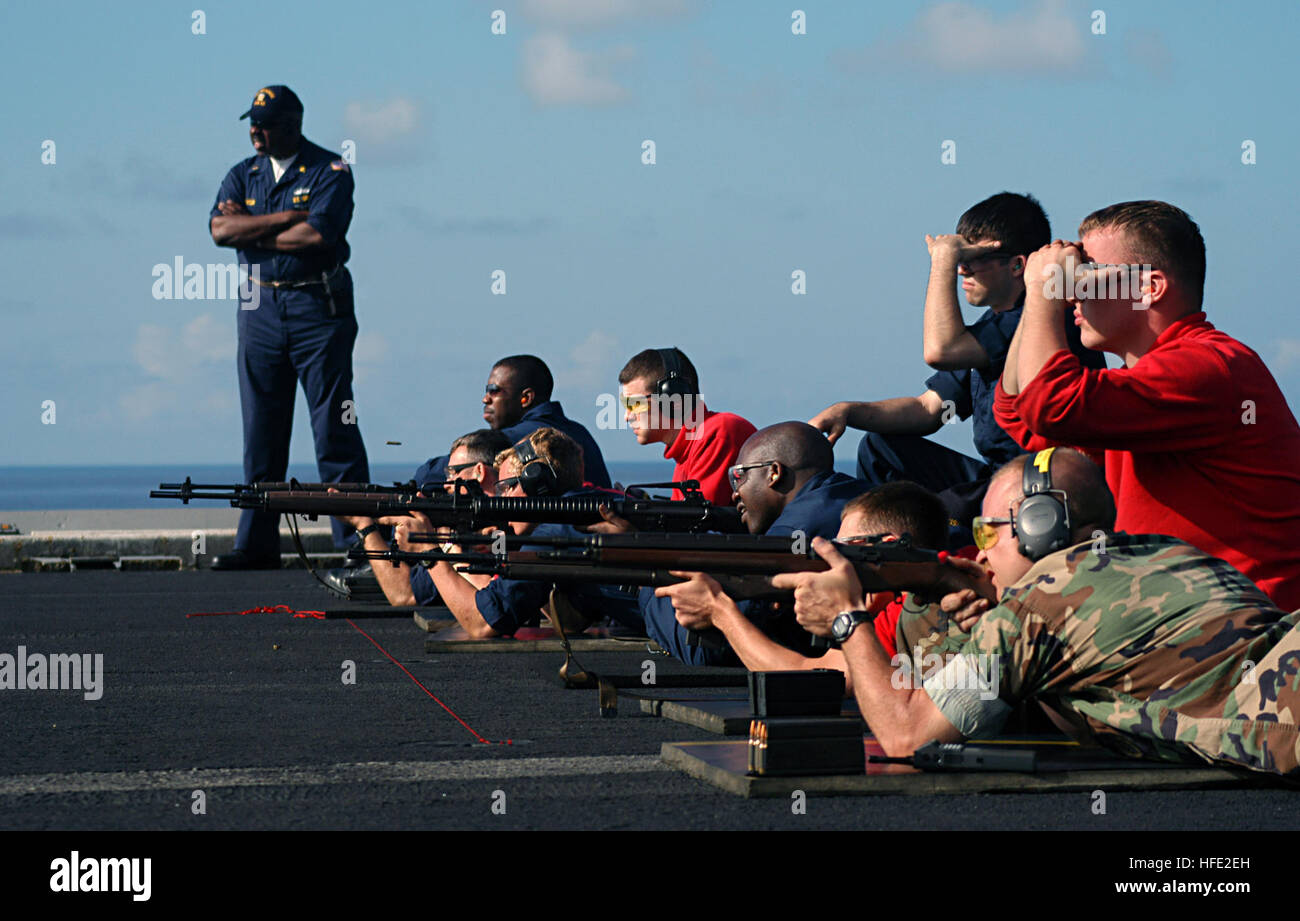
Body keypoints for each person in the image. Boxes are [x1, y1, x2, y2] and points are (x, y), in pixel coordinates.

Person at [777, 447, 1300, 779]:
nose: (979, 553)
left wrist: (848, 617)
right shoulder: (1171, 552)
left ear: (1037, 526)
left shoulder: (1034, 609)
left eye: (987, 532)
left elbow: (906, 735)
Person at [994, 200, 1300, 611]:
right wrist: (1038, 293)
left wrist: (1043, 291)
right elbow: (1020, 412)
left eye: (1086, 276)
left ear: (1149, 288)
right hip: (1194, 625)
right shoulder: (1142, 387)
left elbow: (1048, 405)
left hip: (1250, 638)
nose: (1072, 295)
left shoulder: (1208, 366)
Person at [807, 192, 1104, 544]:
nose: (962, 268)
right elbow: (928, 408)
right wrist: (848, 411)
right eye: (960, 258)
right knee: (880, 449)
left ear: (1017, 265)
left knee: (946, 511)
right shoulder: (990, 328)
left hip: (1040, 483)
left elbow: (940, 350)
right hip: (996, 474)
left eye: (973, 258)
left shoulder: (1038, 320)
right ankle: (878, 550)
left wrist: (942, 262)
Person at [208, 85, 370, 570]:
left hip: (317, 307)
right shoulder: (243, 174)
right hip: (259, 307)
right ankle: (256, 544)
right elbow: (220, 231)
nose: (257, 131)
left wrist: (254, 224)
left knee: (332, 427)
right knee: (261, 430)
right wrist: (285, 217)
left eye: (267, 123)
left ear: (294, 124)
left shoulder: (330, 171)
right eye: (253, 123)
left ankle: (359, 544)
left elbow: (317, 234)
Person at [662, 481, 977, 693]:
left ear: (888, 548)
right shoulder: (916, 599)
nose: (832, 563)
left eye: (843, 548)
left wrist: (720, 611)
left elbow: (804, 676)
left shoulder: (911, 611)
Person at [644, 422, 867, 665]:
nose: (735, 493)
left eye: (739, 476)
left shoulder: (791, 537)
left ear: (774, 473)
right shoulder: (857, 496)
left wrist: (648, 585)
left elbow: (708, 650)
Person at [424, 428, 637, 638]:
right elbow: (572, 622)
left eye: (506, 487)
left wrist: (429, 550)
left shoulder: (553, 533)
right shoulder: (591, 508)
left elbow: (483, 624)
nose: (501, 499)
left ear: (538, 485)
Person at [333, 429, 509, 607]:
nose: (447, 483)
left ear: (479, 471)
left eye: (453, 472)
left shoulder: (507, 526)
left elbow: (403, 595)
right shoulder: (474, 526)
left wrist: (365, 526)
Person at [415, 355, 610, 489]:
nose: (485, 399)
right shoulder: (579, 432)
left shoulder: (522, 438)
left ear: (526, 397)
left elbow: (429, 476)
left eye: (494, 390)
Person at [615, 348, 756, 505]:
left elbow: (701, 525)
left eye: (634, 404)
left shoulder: (718, 434)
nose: (627, 417)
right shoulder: (687, 454)